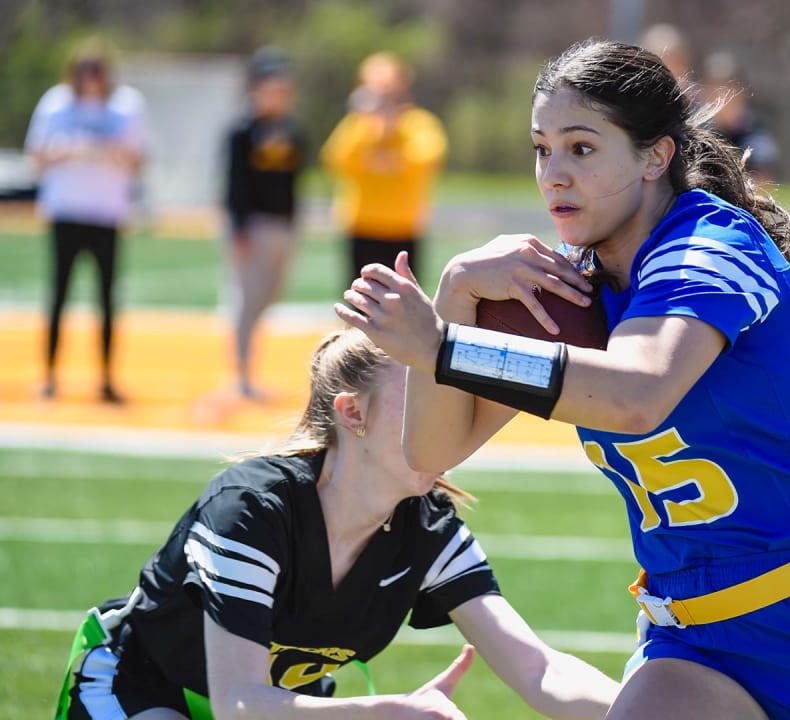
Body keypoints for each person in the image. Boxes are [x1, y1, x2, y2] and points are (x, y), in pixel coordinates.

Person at [338, 38, 790, 720]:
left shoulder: (712, 245)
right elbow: (430, 452)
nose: (553, 174)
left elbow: (637, 395)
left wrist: (446, 346)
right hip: (691, 635)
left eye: (581, 148)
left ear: (656, 156)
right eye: (542, 149)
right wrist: (456, 292)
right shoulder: (572, 277)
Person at [56, 328, 620, 719]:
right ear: (352, 413)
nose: (444, 422)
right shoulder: (253, 510)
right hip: (141, 684)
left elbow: (540, 671)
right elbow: (239, 703)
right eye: (422, 400)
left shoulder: (429, 529)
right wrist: (383, 712)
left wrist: (648, 708)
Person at [24, 37, 149, 404]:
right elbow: (36, 157)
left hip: (107, 214)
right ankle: (49, 376)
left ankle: (106, 379)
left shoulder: (125, 107)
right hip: (66, 212)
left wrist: (112, 152)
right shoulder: (55, 104)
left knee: (106, 299)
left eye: (97, 70)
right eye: (84, 70)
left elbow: (140, 159)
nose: (91, 78)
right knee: (58, 295)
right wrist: (66, 151)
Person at [222, 46, 306, 400]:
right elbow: (234, 183)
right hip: (253, 224)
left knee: (271, 295)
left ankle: (247, 370)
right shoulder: (243, 130)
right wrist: (237, 227)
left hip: (282, 224)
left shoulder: (291, 130)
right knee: (248, 299)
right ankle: (242, 374)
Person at [322, 51, 447, 284]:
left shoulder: (418, 124)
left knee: (404, 296)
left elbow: (427, 160)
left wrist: (391, 132)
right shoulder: (358, 125)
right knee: (361, 296)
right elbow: (335, 159)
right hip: (362, 224)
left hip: (403, 225)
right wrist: (369, 129)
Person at [702, 50, 780, 183]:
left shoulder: (755, 131)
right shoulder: (701, 130)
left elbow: (761, 180)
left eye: (728, 89)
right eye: (717, 90)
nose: (722, 98)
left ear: (741, 92)